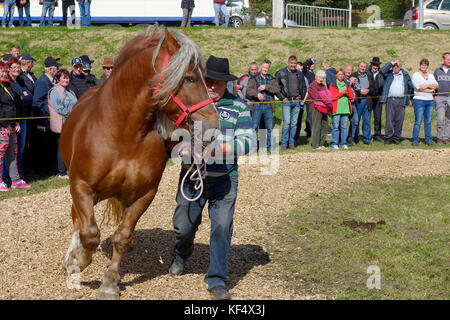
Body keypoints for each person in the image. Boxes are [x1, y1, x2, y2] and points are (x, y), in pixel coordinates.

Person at [169, 55, 252, 300]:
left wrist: (220, 149)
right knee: (183, 226)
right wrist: (183, 148)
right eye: (210, 81)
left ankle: (216, 280)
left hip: (225, 179)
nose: (214, 86)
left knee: (222, 227)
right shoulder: (190, 105)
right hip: (193, 177)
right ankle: (181, 254)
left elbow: (247, 141)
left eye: (219, 82)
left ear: (227, 84)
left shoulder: (238, 107)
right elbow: (174, 136)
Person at [0, 62, 31, 191]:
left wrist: (16, 122)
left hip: (12, 124)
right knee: (1, 153)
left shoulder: (7, 85)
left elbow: (13, 106)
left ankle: (15, 180)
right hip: (2, 126)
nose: (4, 74)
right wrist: (6, 124)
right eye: (1, 71)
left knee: (13, 152)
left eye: (5, 71)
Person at [31, 56, 61, 175]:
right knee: (42, 146)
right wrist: (48, 113)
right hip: (44, 120)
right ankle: (42, 170)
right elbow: (37, 101)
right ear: (51, 70)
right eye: (57, 68)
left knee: (49, 145)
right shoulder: (42, 82)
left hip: (51, 120)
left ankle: (49, 167)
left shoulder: (51, 81)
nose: (58, 70)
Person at [48, 69, 77, 178]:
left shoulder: (69, 90)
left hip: (72, 123)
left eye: (67, 77)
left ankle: (70, 168)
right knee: (62, 148)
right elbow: (59, 108)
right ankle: (62, 172)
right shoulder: (55, 91)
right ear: (58, 79)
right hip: (62, 124)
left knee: (70, 147)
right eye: (64, 77)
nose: (66, 79)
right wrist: (73, 113)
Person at [247, 59, 280, 153]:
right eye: (264, 67)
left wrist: (266, 87)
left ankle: (270, 148)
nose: (265, 69)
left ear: (269, 69)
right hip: (256, 106)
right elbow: (248, 90)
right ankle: (253, 148)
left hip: (268, 106)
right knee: (254, 128)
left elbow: (277, 90)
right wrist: (257, 94)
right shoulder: (254, 78)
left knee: (269, 128)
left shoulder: (271, 79)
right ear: (261, 67)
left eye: (267, 68)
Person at [275, 55, 306, 150]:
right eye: (291, 63)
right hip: (286, 101)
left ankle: (291, 143)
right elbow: (276, 87)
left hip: (296, 100)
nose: (293, 65)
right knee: (287, 123)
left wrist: (301, 97)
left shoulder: (299, 74)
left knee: (294, 123)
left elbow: (303, 87)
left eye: (294, 63)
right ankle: (284, 143)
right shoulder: (281, 73)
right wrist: (282, 97)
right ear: (288, 63)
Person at [380, 59, 414, 145]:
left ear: (400, 67)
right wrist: (391, 62)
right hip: (390, 99)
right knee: (389, 120)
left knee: (399, 120)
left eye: (397, 65)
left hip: (401, 100)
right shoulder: (389, 74)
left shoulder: (405, 74)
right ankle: (388, 137)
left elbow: (410, 86)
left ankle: (396, 138)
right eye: (394, 66)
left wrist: (411, 98)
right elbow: (382, 71)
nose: (395, 67)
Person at [411, 59, 439, 146]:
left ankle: (428, 140)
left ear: (427, 66)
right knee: (418, 121)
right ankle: (415, 140)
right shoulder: (416, 75)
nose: (424, 66)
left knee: (428, 121)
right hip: (419, 100)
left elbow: (436, 85)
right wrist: (430, 88)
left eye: (426, 65)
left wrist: (426, 86)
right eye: (422, 64)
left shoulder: (430, 75)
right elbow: (419, 87)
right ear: (420, 65)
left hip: (429, 101)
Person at [351, 61, 378, 145]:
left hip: (367, 100)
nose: (363, 68)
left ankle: (367, 139)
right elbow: (351, 88)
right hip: (358, 101)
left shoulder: (369, 76)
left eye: (364, 66)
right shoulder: (354, 75)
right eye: (361, 66)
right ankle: (354, 138)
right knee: (356, 121)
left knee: (367, 121)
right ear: (358, 67)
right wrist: (359, 91)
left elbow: (374, 88)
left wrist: (368, 90)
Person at [329, 68, 354, 149]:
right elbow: (331, 97)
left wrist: (347, 93)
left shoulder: (346, 84)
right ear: (336, 75)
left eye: (342, 74)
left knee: (344, 127)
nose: (341, 76)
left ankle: (344, 143)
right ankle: (334, 143)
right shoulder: (333, 85)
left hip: (345, 108)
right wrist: (341, 93)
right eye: (339, 74)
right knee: (335, 127)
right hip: (336, 109)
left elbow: (352, 96)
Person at [308, 70, 332, 150]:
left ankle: (321, 144)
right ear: (316, 77)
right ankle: (315, 145)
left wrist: (327, 100)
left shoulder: (323, 86)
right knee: (316, 126)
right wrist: (326, 99)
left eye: (323, 78)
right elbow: (316, 97)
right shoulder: (312, 85)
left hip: (324, 107)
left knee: (325, 126)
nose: (321, 79)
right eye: (320, 77)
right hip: (315, 107)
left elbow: (327, 95)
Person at [433, 52, 450, 145]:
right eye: (448, 59)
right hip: (439, 97)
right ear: (443, 60)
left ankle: (446, 138)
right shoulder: (437, 71)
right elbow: (433, 84)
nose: (449, 61)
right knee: (440, 119)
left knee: (449, 119)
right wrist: (434, 96)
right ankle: (439, 138)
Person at [368, 57, 385, 142]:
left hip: (378, 98)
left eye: (377, 65)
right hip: (369, 98)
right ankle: (366, 135)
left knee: (378, 117)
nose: (375, 67)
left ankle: (377, 134)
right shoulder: (367, 73)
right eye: (374, 65)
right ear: (371, 65)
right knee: (367, 117)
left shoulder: (381, 74)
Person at [293, 61, 309, 145]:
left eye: (301, 69)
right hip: (292, 103)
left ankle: (296, 138)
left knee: (298, 122)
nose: (300, 70)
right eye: (298, 68)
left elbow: (307, 91)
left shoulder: (304, 78)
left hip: (300, 104)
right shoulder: (292, 77)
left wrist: (303, 101)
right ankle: (290, 139)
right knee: (291, 122)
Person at [343, 64, 358, 147]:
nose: (349, 71)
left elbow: (357, 89)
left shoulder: (353, 78)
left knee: (355, 121)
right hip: (345, 103)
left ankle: (350, 139)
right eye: (348, 69)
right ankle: (342, 139)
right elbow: (343, 88)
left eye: (351, 70)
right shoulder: (342, 78)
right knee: (343, 122)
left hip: (353, 103)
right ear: (345, 70)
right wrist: (350, 83)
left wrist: (355, 85)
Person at [302, 58, 316, 138]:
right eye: (311, 64)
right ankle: (309, 131)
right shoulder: (305, 72)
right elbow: (304, 65)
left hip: (313, 97)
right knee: (309, 115)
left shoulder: (312, 73)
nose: (313, 66)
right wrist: (310, 61)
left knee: (311, 114)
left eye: (313, 64)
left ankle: (309, 129)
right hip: (308, 96)